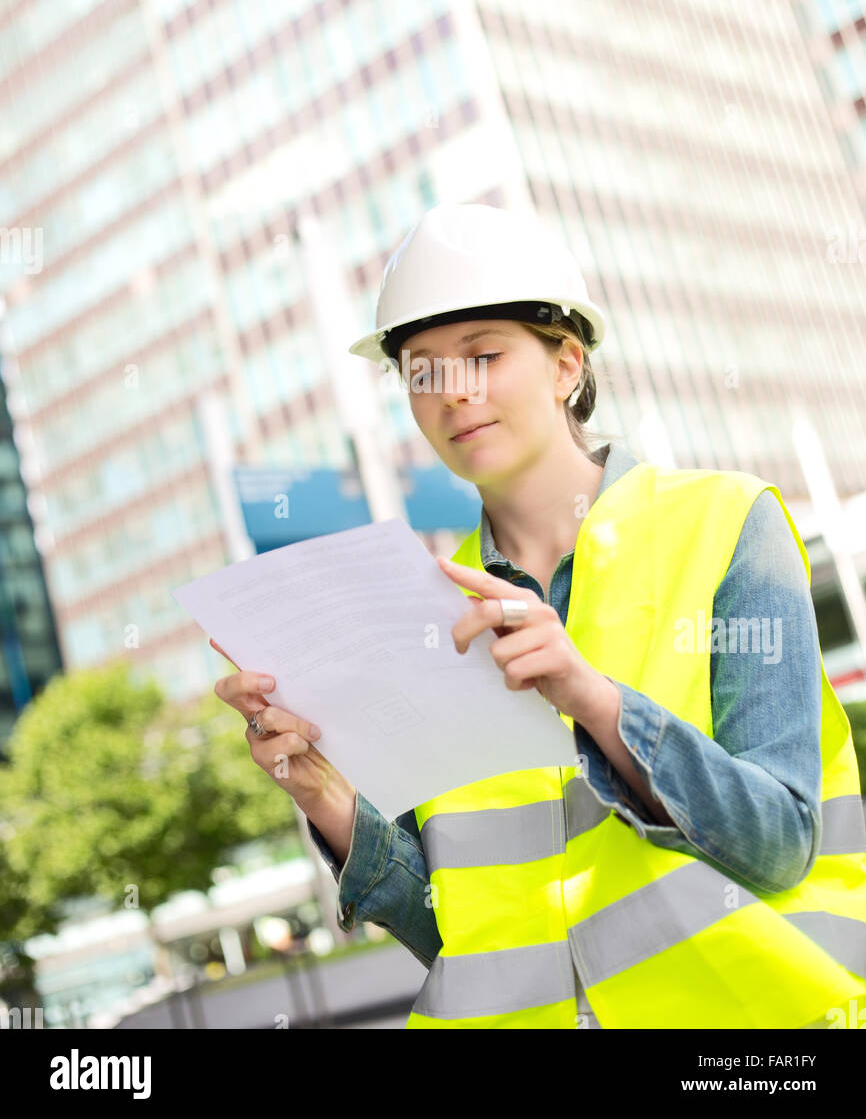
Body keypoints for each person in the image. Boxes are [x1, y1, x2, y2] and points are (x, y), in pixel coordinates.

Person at [213, 202, 866, 1029]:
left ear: (566, 365)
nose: (453, 395)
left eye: (482, 356)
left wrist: (591, 697)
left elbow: (777, 841)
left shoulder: (726, 524)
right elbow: (463, 939)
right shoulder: (421, 613)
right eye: (422, 372)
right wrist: (324, 796)